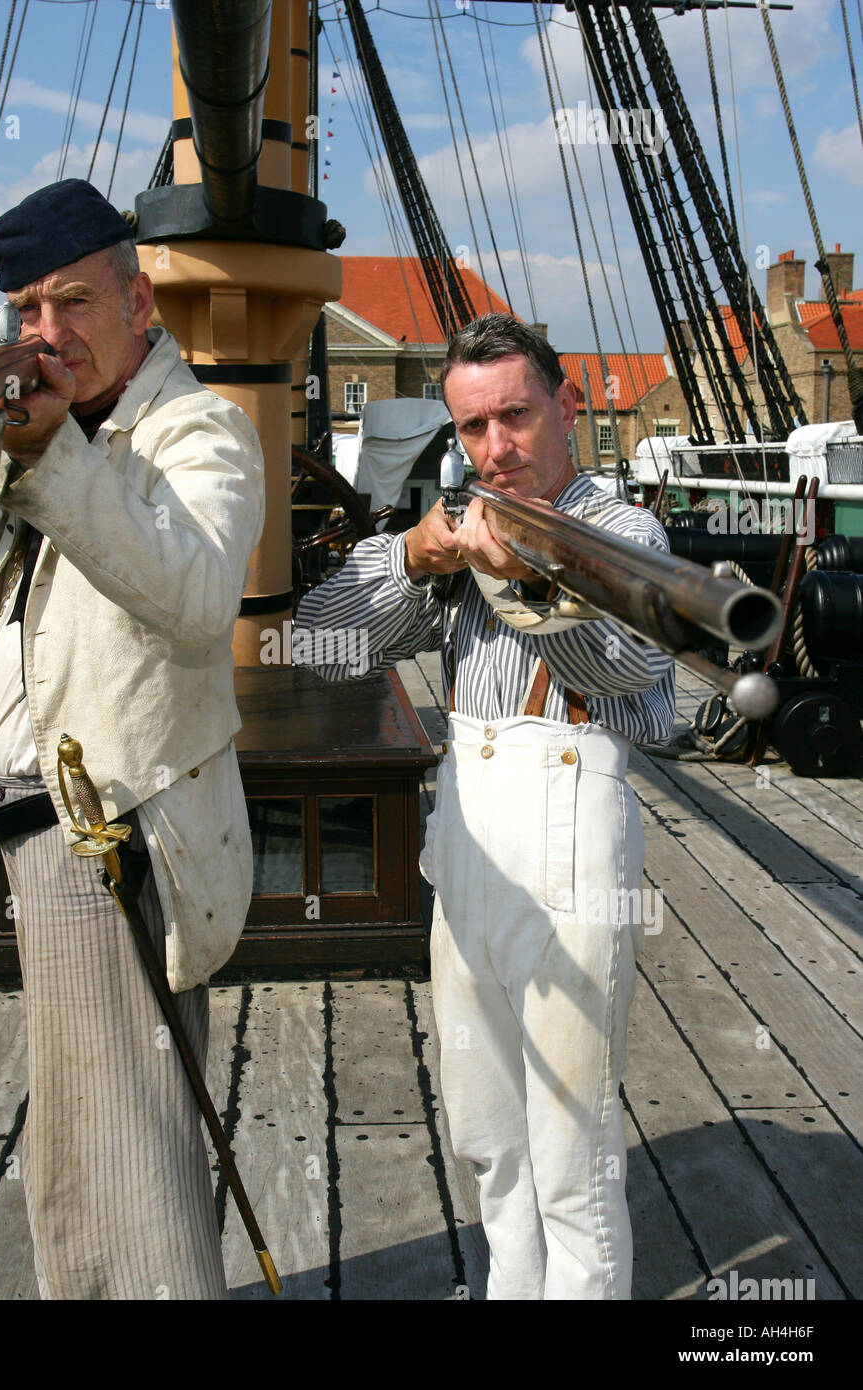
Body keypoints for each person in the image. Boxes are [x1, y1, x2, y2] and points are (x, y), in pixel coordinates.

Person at [0, 179, 265, 1300]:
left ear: (141, 304)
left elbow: (190, 596)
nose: (48, 333)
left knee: (119, 1153)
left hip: (108, 834)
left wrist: (51, 454)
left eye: (73, 303)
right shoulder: (48, 413)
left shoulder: (198, 429)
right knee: (91, 1139)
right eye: (27, 310)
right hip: (39, 835)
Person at [295, 314, 675, 1299]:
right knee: (488, 1131)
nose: (495, 448)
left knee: (569, 1141)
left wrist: (527, 585)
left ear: (568, 405)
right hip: (466, 840)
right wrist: (414, 558)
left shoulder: (627, 534)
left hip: (570, 847)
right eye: (472, 428)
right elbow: (322, 641)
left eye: (515, 416)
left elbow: (628, 670)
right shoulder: (464, 528)